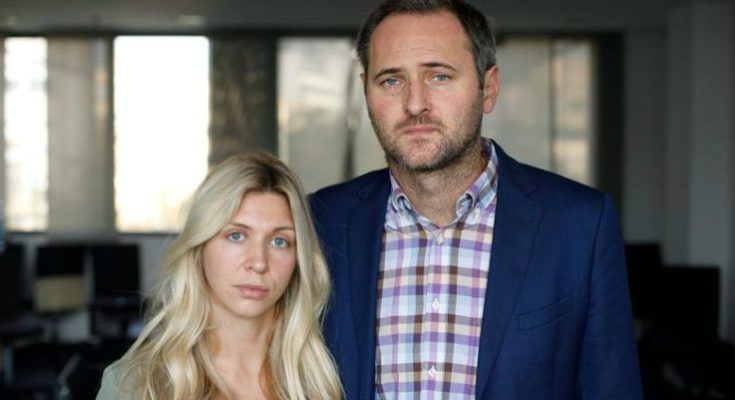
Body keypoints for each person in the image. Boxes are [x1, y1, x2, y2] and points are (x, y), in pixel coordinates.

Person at [309, 0, 642, 398]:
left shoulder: (579, 225)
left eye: (439, 76)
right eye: (391, 81)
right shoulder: (320, 221)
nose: (415, 104)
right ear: (367, 92)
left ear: (489, 88)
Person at [97, 152, 342, 400]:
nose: (258, 262)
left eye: (279, 241)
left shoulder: (321, 381)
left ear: (298, 259)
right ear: (200, 248)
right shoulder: (135, 385)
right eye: (236, 235)